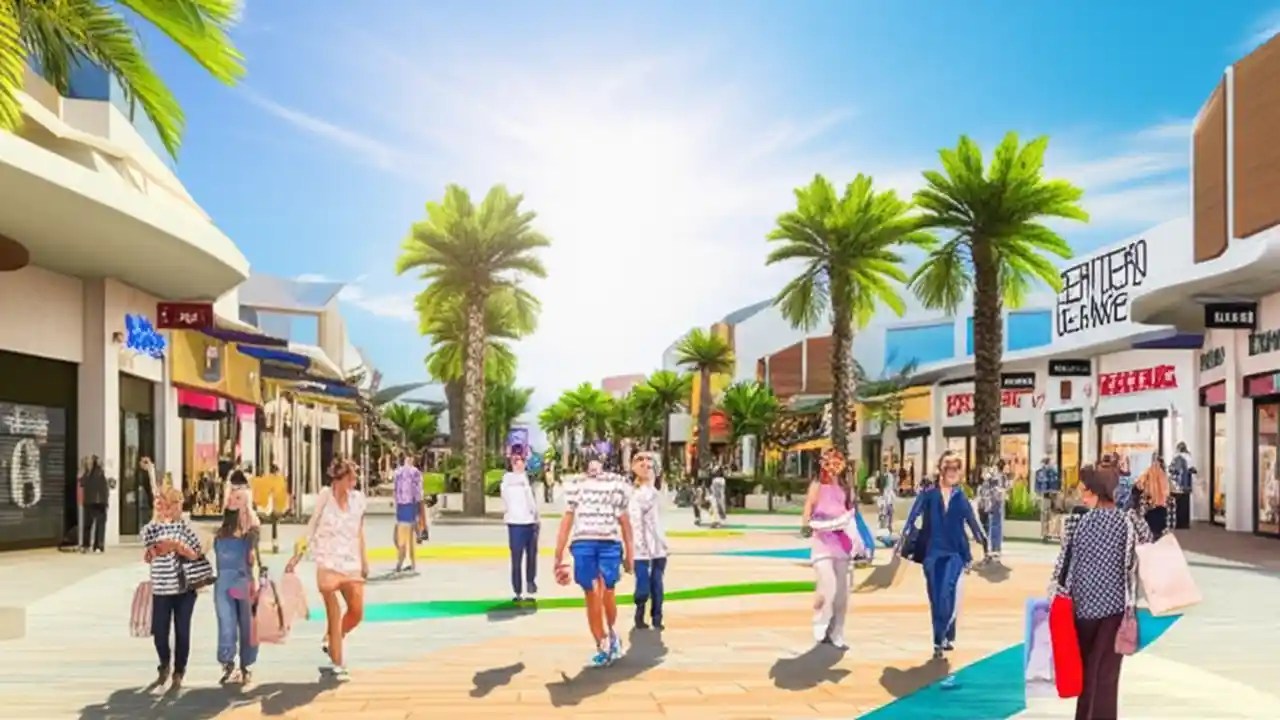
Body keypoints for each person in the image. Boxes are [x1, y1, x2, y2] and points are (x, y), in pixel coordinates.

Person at [1050, 464, 1152, 720]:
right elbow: (1149, 541)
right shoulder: (1126, 521)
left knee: (1086, 672)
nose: (1082, 494)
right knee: (1106, 676)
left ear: (1096, 492)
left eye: (1086, 489)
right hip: (1114, 610)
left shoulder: (1078, 522)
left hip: (1082, 610)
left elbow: (1063, 564)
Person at [286, 460, 368, 680]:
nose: (354, 482)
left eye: (355, 478)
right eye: (350, 478)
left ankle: (332, 638)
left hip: (351, 562)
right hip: (327, 561)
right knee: (334, 610)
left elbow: (359, 531)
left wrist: (364, 560)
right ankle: (338, 662)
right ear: (338, 479)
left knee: (357, 612)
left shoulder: (358, 500)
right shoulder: (325, 496)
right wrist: (297, 556)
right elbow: (312, 526)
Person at [900, 450, 986, 660]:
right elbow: (913, 517)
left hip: (955, 553)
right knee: (936, 597)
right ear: (941, 470)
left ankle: (940, 639)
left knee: (947, 592)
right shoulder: (928, 494)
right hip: (932, 553)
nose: (953, 472)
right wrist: (905, 537)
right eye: (949, 468)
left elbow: (972, 521)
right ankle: (941, 634)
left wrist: (984, 543)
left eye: (956, 468)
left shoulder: (960, 497)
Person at [552, 459, 634, 667]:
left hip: (609, 543)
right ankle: (601, 642)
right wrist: (558, 554)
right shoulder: (576, 486)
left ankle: (613, 633)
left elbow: (625, 523)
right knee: (592, 591)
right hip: (583, 543)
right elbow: (567, 520)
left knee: (607, 589)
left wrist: (630, 553)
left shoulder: (616, 485)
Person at [141, 485, 204, 688]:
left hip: (185, 589)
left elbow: (196, 553)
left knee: (182, 630)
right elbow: (148, 551)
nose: (172, 508)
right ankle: (164, 663)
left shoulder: (187, 527)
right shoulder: (154, 527)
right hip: (161, 588)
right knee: (160, 631)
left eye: (176, 503)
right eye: (169, 503)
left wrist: (177, 547)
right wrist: (161, 545)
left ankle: (179, 670)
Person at [801, 448, 861, 649]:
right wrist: (808, 525)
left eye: (837, 463)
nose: (833, 467)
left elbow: (852, 514)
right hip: (822, 543)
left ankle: (837, 631)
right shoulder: (817, 486)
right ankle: (820, 618)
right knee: (828, 585)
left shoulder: (846, 488)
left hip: (842, 544)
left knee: (842, 591)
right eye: (829, 463)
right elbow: (808, 509)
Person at [213, 487, 261, 685]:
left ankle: (246, 665)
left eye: (239, 498)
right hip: (224, 583)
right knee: (226, 624)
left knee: (248, 626)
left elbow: (256, 559)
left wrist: (256, 582)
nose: (233, 500)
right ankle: (228, 663)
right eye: (232, 497)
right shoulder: (220, 531)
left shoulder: (251, 532)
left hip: (244, 581)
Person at [628, 452, 668, 630]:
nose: (645, 464)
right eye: (640, 461)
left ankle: (657, 617)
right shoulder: (630, 493)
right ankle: (639, 612)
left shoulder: (658, 493)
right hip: (639, 550)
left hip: (658, 547)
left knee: (657, 585)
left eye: (649, 463)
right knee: (643, 585)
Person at [501, 449, 540, 602]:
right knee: (517, 558)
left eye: (521, 461)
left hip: (530, 522)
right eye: (515, 461)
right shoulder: (508, 480)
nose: (519, 464)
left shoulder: (527, 479)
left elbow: (532, 502)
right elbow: (506, 497)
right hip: (516, 523)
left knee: (531, 555)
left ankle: (530, 581)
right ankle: (517, 589)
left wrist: (536, 518)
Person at [1129, 452, 1175, 539]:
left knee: (1151, 531)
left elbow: (1139, 485)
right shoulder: (1164, 474)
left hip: (1151, 505)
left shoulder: (1148, 472)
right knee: (1159, 531)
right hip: (1162, 505)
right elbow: (1167, 491)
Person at [392, 453, 424, 574]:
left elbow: (396, 491)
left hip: (402, 505)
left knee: (402, 535)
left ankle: (401, 560)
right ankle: (411, 561)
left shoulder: (398, 473)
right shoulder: (415, 473)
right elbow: (418, 492)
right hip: (411, 504)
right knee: (410, 534)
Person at [977, 459, 1010, 564]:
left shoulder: (994, 476)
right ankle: (994, 551)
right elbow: (999, 490)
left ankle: (991, 551)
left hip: (990, 505)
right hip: (994, 505)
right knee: (994, 527)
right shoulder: (998, 477)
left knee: (991, 527)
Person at [251, 464, 289, 554]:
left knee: (256, 524)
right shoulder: (280, 480)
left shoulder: (263, 480)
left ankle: (255, 545)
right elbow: (283, 495)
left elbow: (256, 493)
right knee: (274, 524)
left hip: (263, 509)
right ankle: (274, 544)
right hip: (275, 509)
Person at [81, 455, 109, 553]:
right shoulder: (99, 472)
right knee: (96, 525)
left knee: (91, 524)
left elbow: (82, 483)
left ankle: (90, 545)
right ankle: (97, 545)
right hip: (97, 502)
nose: (86, 464)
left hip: (94, 502)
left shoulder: (93, 473)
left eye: (87, 462)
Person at [1168, 442, 1196, 530]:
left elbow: (1173, 470)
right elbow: (1193, 470)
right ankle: (1185, 523)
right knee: (1186, 504)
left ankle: (1179, 524)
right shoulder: (1189, 457)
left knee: (1179, 505)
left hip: (1178, 486)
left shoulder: (1178, 458)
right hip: (1187, 485)